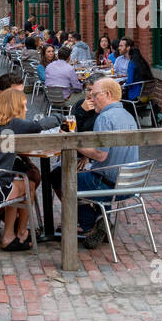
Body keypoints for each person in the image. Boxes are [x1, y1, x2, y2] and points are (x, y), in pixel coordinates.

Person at [49, 78, 138, 248]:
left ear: (107, 94)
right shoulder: (128, 115)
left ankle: (91, 225)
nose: (91, 98)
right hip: (130, 183)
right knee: (80, 174)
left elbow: (100, 155)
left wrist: (74, 142)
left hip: (108, 184)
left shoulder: (104, 118)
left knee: (62, 179)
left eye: (95, 94)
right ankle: (101, 220)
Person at [0, 89, 61, 251]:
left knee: (22, 181)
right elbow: (39, 126)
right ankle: (17, 233)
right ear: (14, 107)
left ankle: (14, 230)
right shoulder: (13, 124)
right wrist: (61, 117)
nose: (27, 110)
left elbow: (4, 147)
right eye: (23, 106)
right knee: (28, 186)